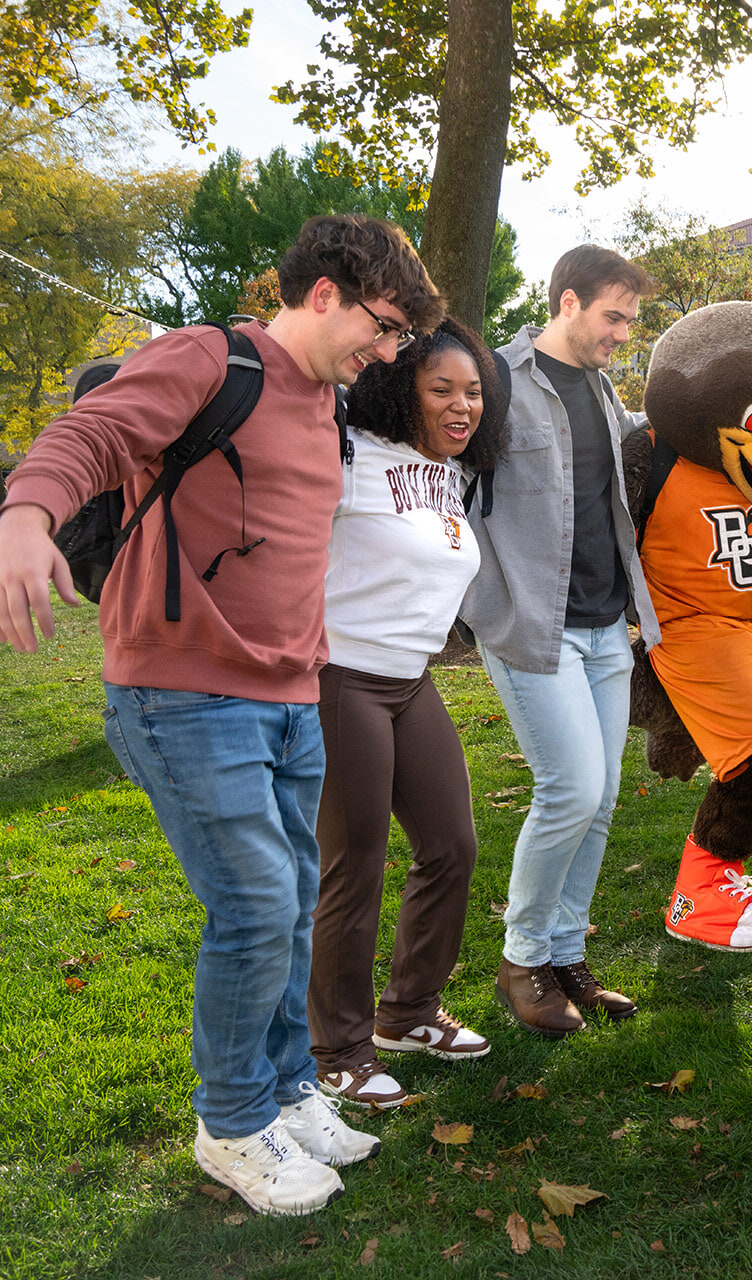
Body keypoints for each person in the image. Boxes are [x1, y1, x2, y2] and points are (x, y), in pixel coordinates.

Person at [0, 215, 442, 1215]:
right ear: (325, 291)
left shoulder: (325, 406)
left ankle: (289, 1092)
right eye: (381, 328)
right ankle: (234, 1124)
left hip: (290, 696)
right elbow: (89, 436)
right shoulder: (207, 357)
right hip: (183, 694)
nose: (385, 354)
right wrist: (24, 521)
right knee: (254, 907)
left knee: (288, 899)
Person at [308, 319, 508, 1108]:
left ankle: (408, 1012)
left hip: (410, 680)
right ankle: (339, 1049)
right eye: (442, 390)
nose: (463, 407)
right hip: (340, 680)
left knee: (451, 846)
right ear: (400, 389)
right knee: (353, 865)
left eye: (473, 393)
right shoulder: (348, 455)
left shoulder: (448, 474)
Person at [461, 245, 658, 1039]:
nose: (623, 334)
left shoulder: (606, 392)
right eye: (614, 317)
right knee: (569, 788)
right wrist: (482, 599)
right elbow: (451, 485)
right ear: (568, 302)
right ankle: (521, 958)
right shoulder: (496, 382)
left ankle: (567, 954)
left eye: (631, 322)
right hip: (532, 629)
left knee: (601, 799)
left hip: (609, 625)